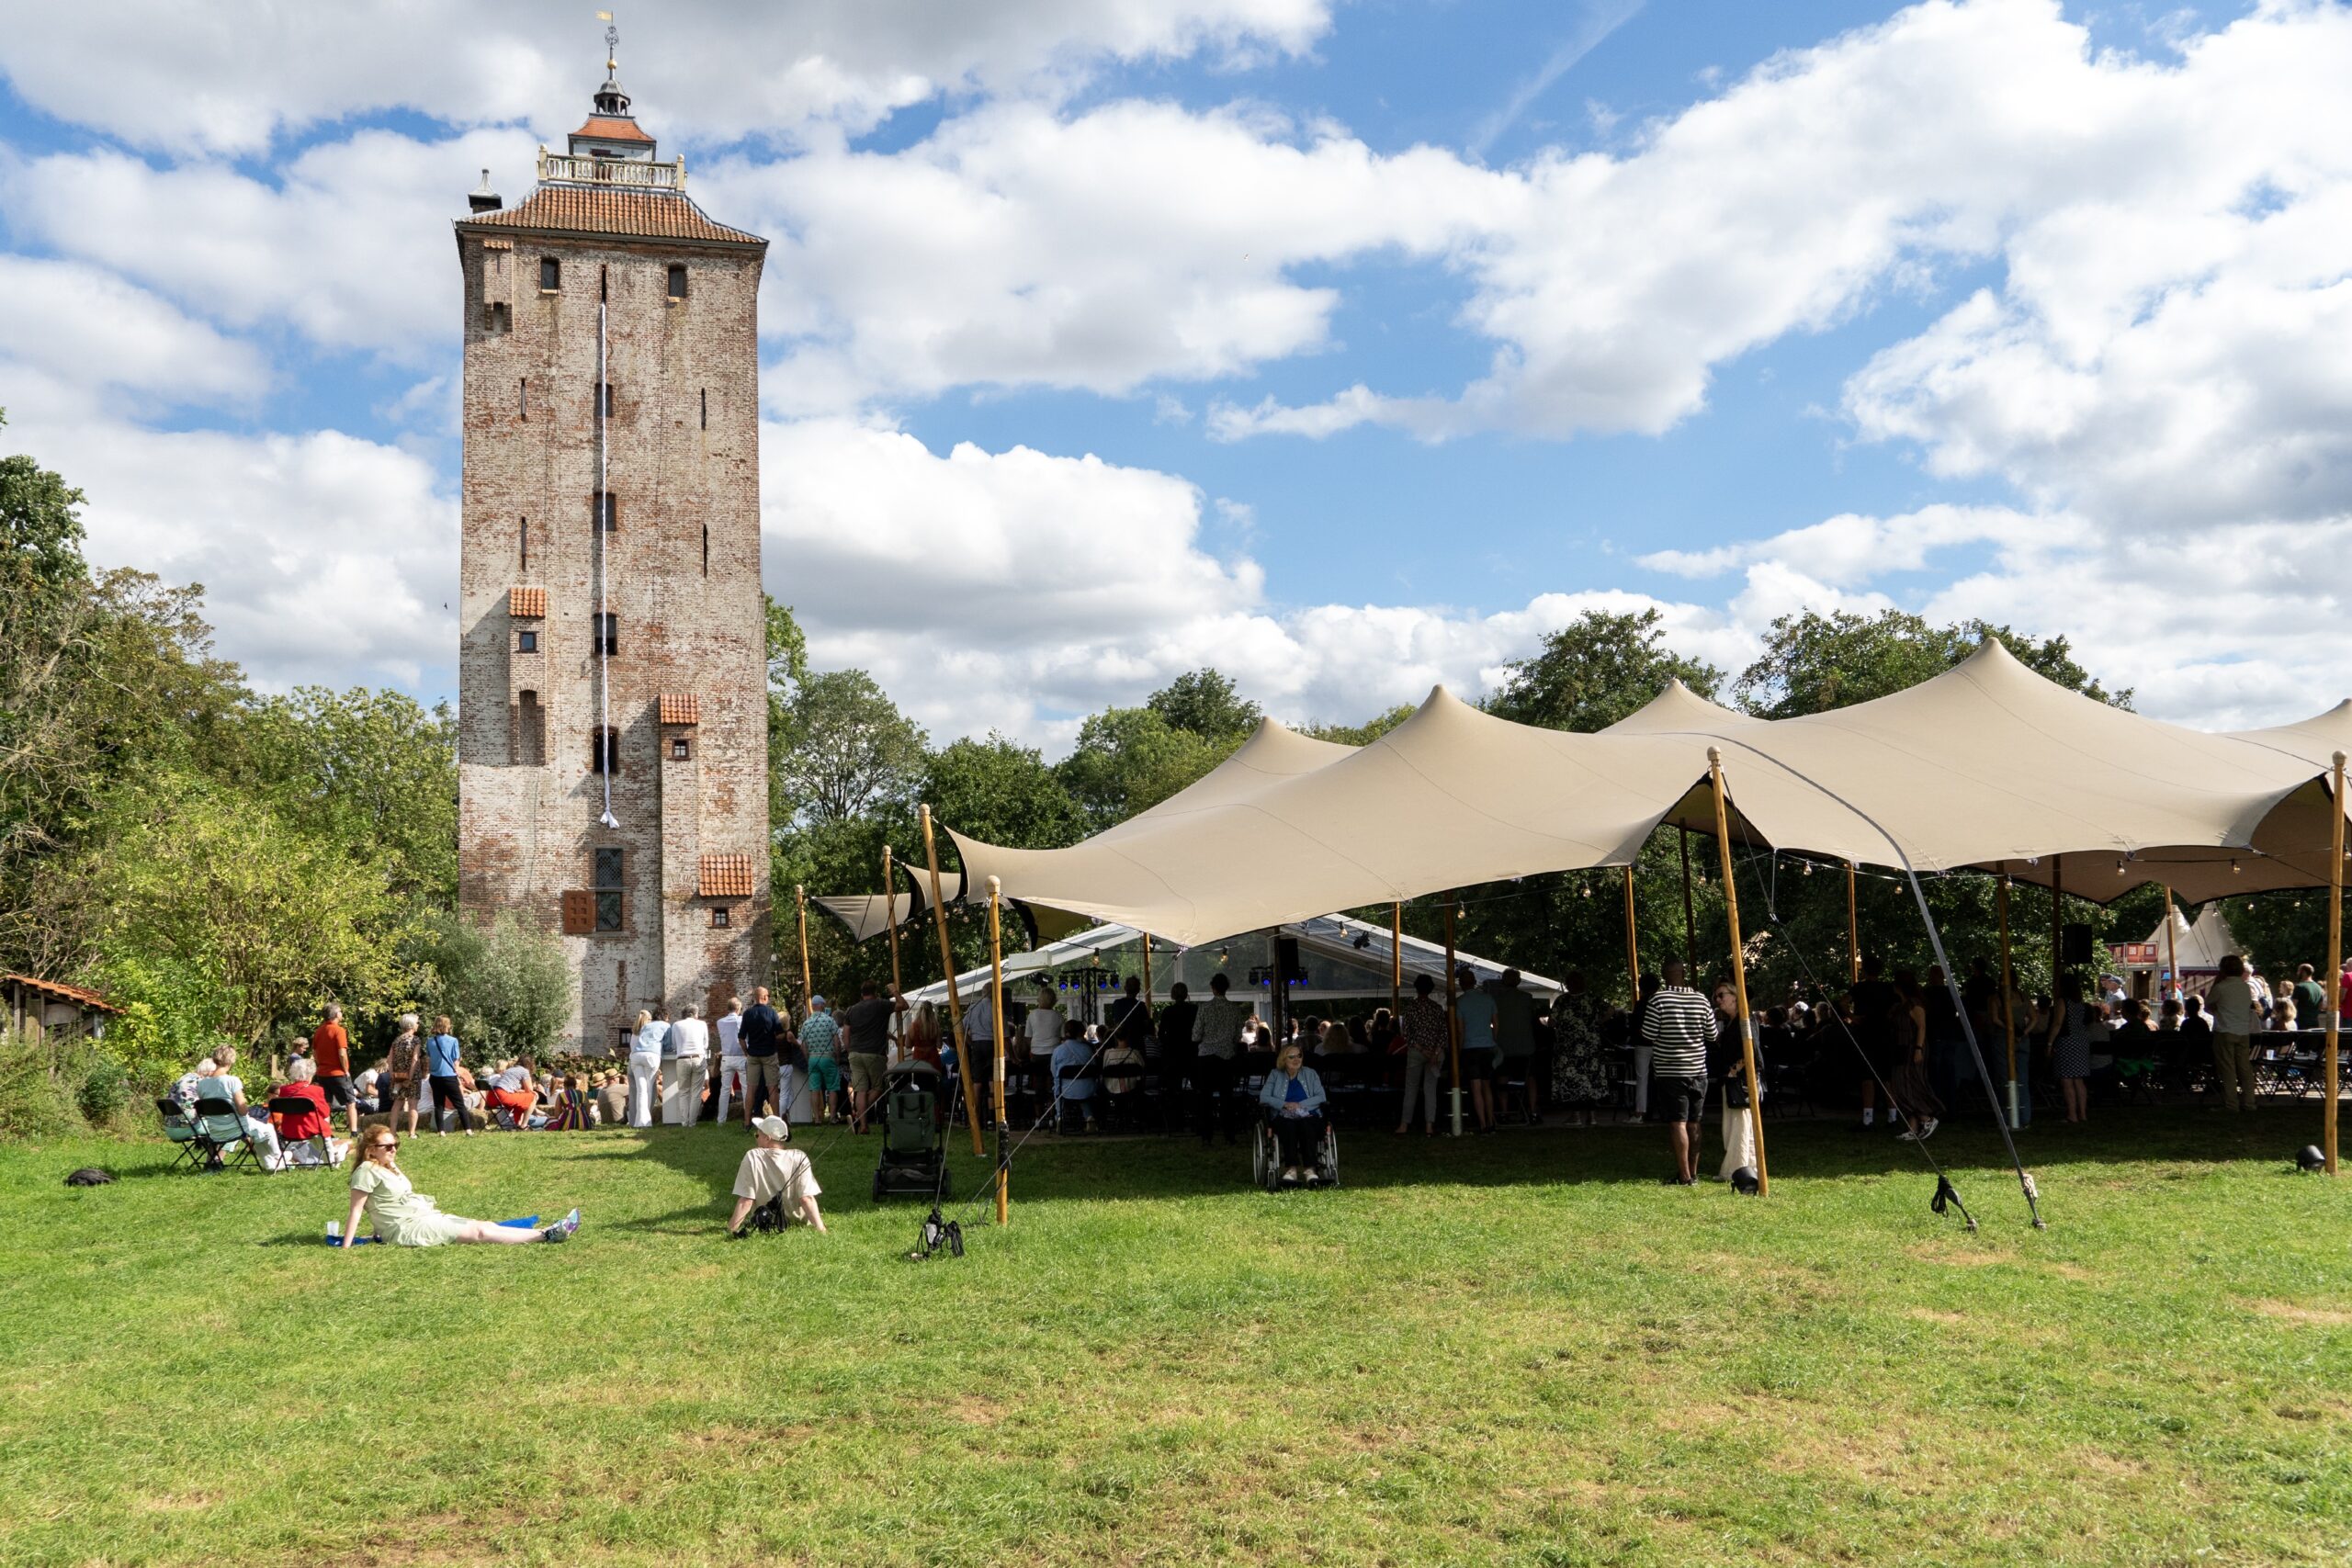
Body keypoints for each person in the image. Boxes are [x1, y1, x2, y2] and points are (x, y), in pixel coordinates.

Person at [339, 1127, 578, 1247]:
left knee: (484, 1225)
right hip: (407, 1228)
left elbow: (384, 1203)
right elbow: (357, 1210)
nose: (394, 1150)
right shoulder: (366, 1171)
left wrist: (377, 1232)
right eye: (388, 1146)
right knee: (479, 1233)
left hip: (421, 1218)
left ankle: (546, 1231)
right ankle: (546, 1235)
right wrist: (347, 1246)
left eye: (396, 1145)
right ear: (371, 1150)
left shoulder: (387, 1166)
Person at [1643, 960, 1715, 1185]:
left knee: (1678, 1122)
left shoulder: (1658, 1000)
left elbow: (1648, 1034)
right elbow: (1712, 1034)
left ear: (1664, 975)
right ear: (1684, 973)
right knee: (1694, 1122)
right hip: (1698, 1070)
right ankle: (1693, 1173)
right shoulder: (1701, 999)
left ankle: (1684, 1176)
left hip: (1670, 1070)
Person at [726, 1116, 825, 1235]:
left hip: (766, 1220)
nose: (756, 1139)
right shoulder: (799, 1157)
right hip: (797, 1221)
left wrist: (731, 1228)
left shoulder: (752, 1157)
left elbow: (747, 1200)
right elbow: (806, 1199)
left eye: (757, 1135)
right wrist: (821, 1229)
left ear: (767, 1138)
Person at [1190, 974, 1254, 1145]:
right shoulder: (1234, 1010)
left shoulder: (1204, 1008)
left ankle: (1207, 1136)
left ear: (1213, 988)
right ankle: (1229, 1134)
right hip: (1226, 1057)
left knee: (1206, 1098)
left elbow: (1195, 1036)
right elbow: (1237, 1036)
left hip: (1206, 1058)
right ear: (1226, 988)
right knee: (1227, 1097)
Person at [1258, 1040, 1329, 1187]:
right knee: (1289, 1126)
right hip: (1283, 1116)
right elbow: (1264, 1097)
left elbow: (1321, 1097)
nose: (1296, 1059)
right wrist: (1284, 1104)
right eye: (1292, 1057)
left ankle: (1310, 1170)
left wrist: (1300, 1105)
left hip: (1308, 1115)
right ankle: (1291, 1170)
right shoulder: (1275, 1074)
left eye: (1299, 1056)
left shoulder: (1310, 1073)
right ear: (1283, 1059)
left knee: (1306, 1125)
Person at [1547, 972, 1611, 1125]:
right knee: (1592, 1079)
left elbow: (1551, 1022)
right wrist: (1599, 1022)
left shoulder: (1562, 1001)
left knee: (1572, 1080)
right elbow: (1610, 1010)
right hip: (1591, 1047)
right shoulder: (1592, 999)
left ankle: (1576, 1116)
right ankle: (1592, 1116)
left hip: (1569, 1048)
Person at [841, 981, 902, 1134]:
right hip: (875, 1053)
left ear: (862, 993)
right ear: (875, 992)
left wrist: (849, 1051)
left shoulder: (851, 1010)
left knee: (860, 1090)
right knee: (877, 1087)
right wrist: (894, 991)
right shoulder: (881, 1005)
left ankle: (862, 1125)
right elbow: (903, 1005)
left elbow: (845, 1034)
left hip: (855, 1054)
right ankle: (859, 1116)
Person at [1889, 973, 1943, 1142]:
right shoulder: (1900, 1005)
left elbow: (1922, 1027)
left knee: (1909, 1084)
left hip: (1913, 1048)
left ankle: (1926, 1118)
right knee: (1900, 1085)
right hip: (1901, 1048)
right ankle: (1913, 1127)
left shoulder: (1915, 1005)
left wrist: (1918, 1049)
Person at [1850, 954, 1902, 1130]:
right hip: (1884, 1034)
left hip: (1866, 1033)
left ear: (1865, 970)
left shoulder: (1859, 988)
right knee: (1886, 1077)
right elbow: (1899, 1002)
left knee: (1867, 1077)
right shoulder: (1888, 988)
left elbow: (1842, 1002)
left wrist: (1852, 1017)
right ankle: (1893, 1116)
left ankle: (1868, 1118)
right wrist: (1889, 1015)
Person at [2205, 954, 2263, 1111]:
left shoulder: (2221, 987)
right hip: (2243, 1032)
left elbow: (2208, 1003)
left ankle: (2231, 1104)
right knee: (2245, 1069)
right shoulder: (2245, 987)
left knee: (2228, 1069)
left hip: (2225, 1031)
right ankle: (2249, 1102)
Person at [1396, 975, 1449, 1135]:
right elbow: (1444, 1033)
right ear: (1431, 989)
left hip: (1416, 1052)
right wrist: (1435, 1051)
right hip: (1435, 1053)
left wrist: (1421, 1049)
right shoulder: (1437, 1009)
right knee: (1430, 1089)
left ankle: (1404, 1125)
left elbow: (1406, 1034)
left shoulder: (1411, 1008)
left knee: (1411, 1088)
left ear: (1416, 988)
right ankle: (1429, 1126)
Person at [2045, 976, 2098, 1125]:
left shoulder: (2062, 1002)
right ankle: (2083, 1114)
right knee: (2078, 1079)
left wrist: (2049, 1043)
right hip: (2081, 1041)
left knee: (2066, 1079)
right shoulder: (2080, 1003)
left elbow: (2057, 1023)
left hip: (2067, 1041)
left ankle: (2072, 1114)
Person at [1454, 966, 1498, 1134]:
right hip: (1487, 1046)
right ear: (1474, 982)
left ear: (1461, 984)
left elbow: (1460, 1030)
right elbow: (1496, 1023)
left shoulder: (1460, 1002)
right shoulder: (1488, 999)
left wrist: (1459, 1050)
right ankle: (1491, 1120)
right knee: (1487, 1086)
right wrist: (1493, 1040)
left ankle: (1482, 1124)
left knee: (1476, 1087)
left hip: (1470, 1048)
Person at [1490, 968, 1539, 1121]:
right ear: (1519, 981)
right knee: (1530, 1078)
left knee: (1502, 1078)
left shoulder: (1497, 1000)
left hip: (1503, 1047)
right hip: (1526, 1047)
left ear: (1503, 981)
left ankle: (1504, 1112)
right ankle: (1533, 1111)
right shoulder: (1527, 998)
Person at [271, 1055, 338, 1165]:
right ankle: (331, 1162)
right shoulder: (316, 1090)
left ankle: (329, 1158)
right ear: (309, 1075)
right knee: (322, 1127)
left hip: (289, 1129)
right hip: (311, 1128)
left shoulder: (284, 1090)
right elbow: (325, 1112)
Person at [311, 1002, 360, 1139]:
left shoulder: (319, 1031)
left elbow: (314, 1052)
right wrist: (345, 1069)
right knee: (350, 1101)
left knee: (326, 1103)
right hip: (337, 1072)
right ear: (337, 1014)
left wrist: (320, 1064)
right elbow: (342, 1053)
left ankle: (325, 1132)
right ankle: (354, 1131)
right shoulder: (339, 1030)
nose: (342, 1013)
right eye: (340, 1011)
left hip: (322, 1072)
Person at [738, 987, 786, 1125]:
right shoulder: (771, 1012)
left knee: (751, 1089)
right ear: (765, 997)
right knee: (772, 1089)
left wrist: (746, 1052)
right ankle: (777, 1121)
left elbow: (741, 1037)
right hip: (769, 1054)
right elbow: (780, 1034)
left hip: (753, 1055)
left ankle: (747, 1122)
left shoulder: (747, 1014)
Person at [419, 1016, 472, 1137]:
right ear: (446, 1026)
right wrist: (457, 1070)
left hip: (435, 1076)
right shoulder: (453, 1041)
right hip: (449, 1076)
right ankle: (468, 1129)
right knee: (460, 1104)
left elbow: (429, 1055)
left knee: (438, 1105)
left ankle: (441, 1131)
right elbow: (456, 1059)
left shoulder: (430, 1041)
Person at [799, 996, 843, 1122]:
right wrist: (838, 1057)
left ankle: (817, 1118)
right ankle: (832, 1117)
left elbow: (803, 1044)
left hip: (813, 1059)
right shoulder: (829, 1020)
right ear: (821, 1005)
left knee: (814, 1088)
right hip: (828, 1058)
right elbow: (836, 1041)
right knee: (832, 1087)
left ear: (813, 1006)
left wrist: (808, 1058)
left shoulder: (806, 1023)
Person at [664, 1005, 710, 1125]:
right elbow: (705, 1044)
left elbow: (674, 1044)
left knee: (683, 1091)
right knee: (696, 1092)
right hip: (698, 1058)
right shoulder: (702, 1024)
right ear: (695, 1014)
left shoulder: (676, 1025)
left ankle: (685, 1121)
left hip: (682, 1059)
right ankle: (692, 1122)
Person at [1050, 1017, 1096, 1134]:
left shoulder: (1058, 1051)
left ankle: (1059, 1116)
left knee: (1057, 1087)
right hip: (1088, 1089)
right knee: (1083, 1091)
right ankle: (1089, 1116)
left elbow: (1054, 1072)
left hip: (1066, 1090)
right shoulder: (1088, 1049)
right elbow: (1094, 1068)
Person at [383, 1015, 425, 1135]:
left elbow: (389, 1059)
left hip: (397, 1075)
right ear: (411, 1025)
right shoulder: (415, 1040)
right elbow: (415, 1059)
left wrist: (392, 1075)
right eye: (417, 1023)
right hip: (412, 1076)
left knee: (397, 1104)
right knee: (413, 1104)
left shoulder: (396, 1041)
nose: (418, 1025)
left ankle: (392, 1131)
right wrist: (409, 1078)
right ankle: (412, 1133)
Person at [623, 1010, 663, 1129]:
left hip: (633, 1062)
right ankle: (645, 1119)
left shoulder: (634, 1032)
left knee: (634, 1094)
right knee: (650, 1092)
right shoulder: (648, 1032)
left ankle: (634, 1121)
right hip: (646, 1061)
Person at [713, 997, 746, 1124]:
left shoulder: (720, 1022)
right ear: (738, 1008)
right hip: (740, 1056)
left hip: (726, 1057)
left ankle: (721, 1120)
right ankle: (747, 1117)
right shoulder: (741, 1020)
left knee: (725, 1090)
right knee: (745, 1088)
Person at [483, 1057, 538, 1129]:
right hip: (502, 1096)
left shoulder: (509, 1070)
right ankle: (524, 1125)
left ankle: (518, 1123)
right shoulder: (524, 1071)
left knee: (521, 1099)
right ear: (530, 1065)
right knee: (533, 1096)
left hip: (492, 1097)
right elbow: (530, 1090)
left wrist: (521, 1091)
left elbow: (509, 1088)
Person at [2291, 964, 2328, 1030]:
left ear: (2304, 972)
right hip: (2315, 1022)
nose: (2297, 973)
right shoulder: (2318, 987)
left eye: (2299, 971)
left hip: (2302, 1023)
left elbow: (2293, 1006)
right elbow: (2321, 1005)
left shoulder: (2299, 987)